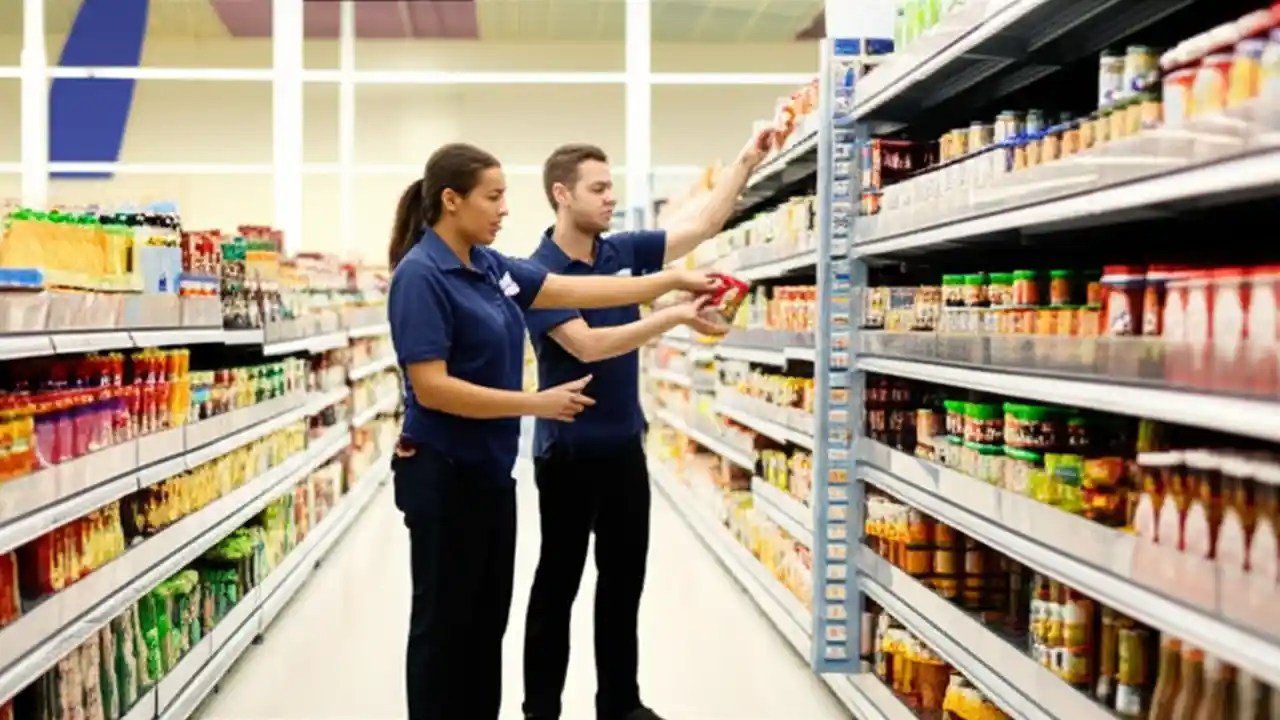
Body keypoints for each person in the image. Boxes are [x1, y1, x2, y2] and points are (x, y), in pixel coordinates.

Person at [386, 142, 719, 720]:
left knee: (486, 624)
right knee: (445, 628)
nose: (504, 209)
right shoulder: (421, 276)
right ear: (450, 200)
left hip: (490, 475)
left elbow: (579, 291)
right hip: (441, 476)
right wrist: (533, 403)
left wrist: (674, 288)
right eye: (493, 197)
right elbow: (432, 387)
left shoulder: (487, 267)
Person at [521, 132, 771, 720]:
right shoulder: (540, 272)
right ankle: (541, 710)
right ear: (562, 194)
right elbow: (587, 345)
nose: (612, 197)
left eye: (613, 186)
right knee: (557, 588)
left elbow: (705, 224)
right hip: (568, 451)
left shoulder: (623, 251)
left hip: (623, 449)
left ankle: (620, 704)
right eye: (599, 187)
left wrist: (747, 157)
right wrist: (676, 315)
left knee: (623, 583)